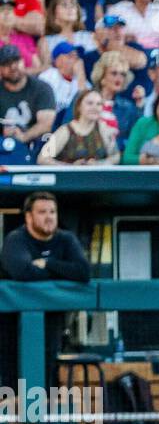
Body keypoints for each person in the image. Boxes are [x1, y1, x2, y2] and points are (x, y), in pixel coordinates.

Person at [0, 191, 91, 388]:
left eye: (52, 211)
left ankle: (45, 417)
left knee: (48, 375)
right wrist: (63, 272)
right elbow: (23, 272)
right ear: (29, 216)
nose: (49, 217)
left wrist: (48, 263)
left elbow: (83, 272)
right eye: (42, 212)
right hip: (12, 326)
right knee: (12, 379)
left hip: (51, 321)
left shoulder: (65, 239)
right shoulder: (16, 239)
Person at [0, 43, 54, 145]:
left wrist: (24, 136)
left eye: (16, 61)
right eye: (6, 63)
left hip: (35, 143)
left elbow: (46, 124)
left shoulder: (41, 88)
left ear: (23, 61)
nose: (13, 67)